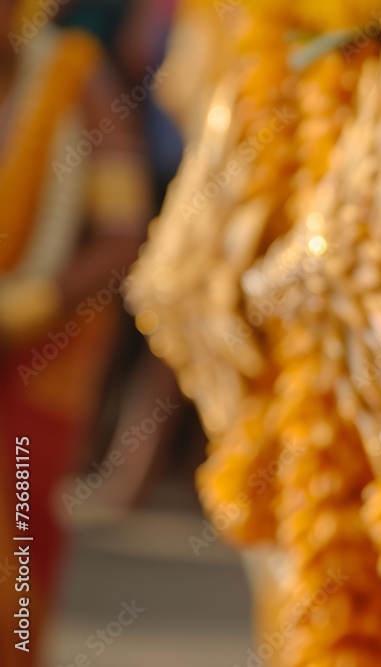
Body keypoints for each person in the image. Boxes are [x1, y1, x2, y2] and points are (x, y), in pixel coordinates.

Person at [0, 0, 150, 663]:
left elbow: (122, 232)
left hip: (37, 353)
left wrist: (25, 306)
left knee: (20, 534)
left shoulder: (74, 74)